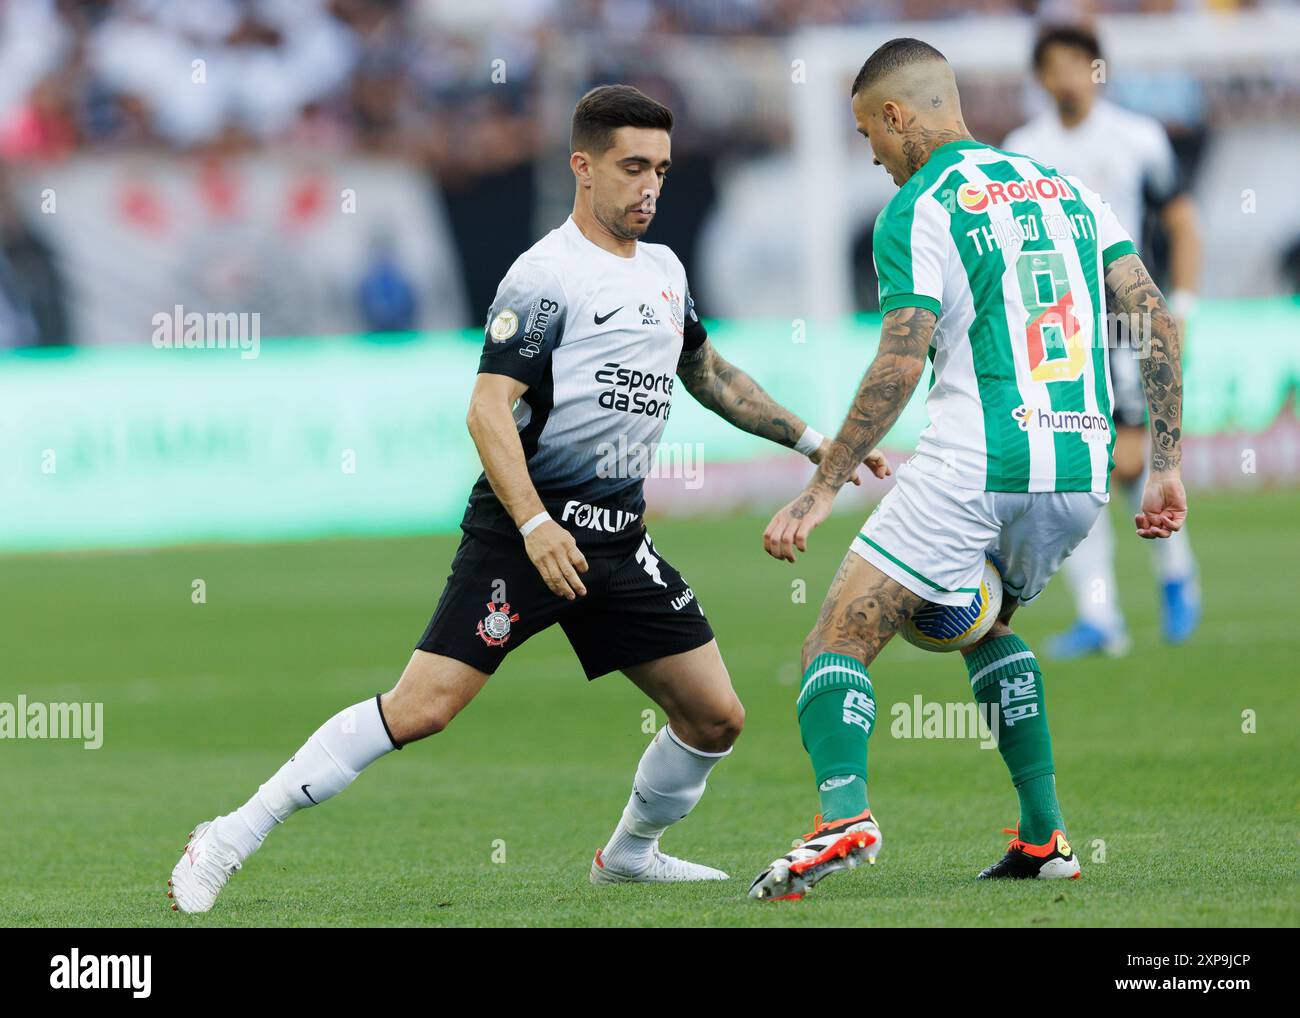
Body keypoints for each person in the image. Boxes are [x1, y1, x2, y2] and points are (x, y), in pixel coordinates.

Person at [168, 83, 886, 913]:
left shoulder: (663, 269)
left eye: (661, 169)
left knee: (716, 717)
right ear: (583, 168)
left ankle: (628, 857)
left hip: (615, 542)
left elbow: (709, 372)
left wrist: (811, 442)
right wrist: (536, 522)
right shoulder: (546, 276)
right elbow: (486, 408)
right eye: (631, 168)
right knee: (424, 708)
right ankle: (228, 834)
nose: (649, 186)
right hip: (524, 535)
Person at [747, 39, 1186, 900]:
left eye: (868, 130)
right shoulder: (1069, 191)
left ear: (896, 115)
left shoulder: (918, 206)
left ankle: (844, 816)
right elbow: (1153, 317)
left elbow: (901, 360)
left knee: (834, 640)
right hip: (1079, 467)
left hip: (976, 461)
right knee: (984, 628)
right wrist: (1166, 460)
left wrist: (825, 483)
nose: (869, 152)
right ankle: (1043, 835)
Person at [1003, 24, 1202, 656]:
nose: (1064, 78)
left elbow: (1180, 222)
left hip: (1128, 319)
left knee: (1129, 462)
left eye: (1075, 65)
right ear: (1039, 77)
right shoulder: (1021, 149)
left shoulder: (1138, 138)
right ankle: (1101, 616)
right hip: (1056, 326)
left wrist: (1184, 306)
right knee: (1074, 468)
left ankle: (1175, 575)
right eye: (1052, 67)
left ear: (1096, 69)